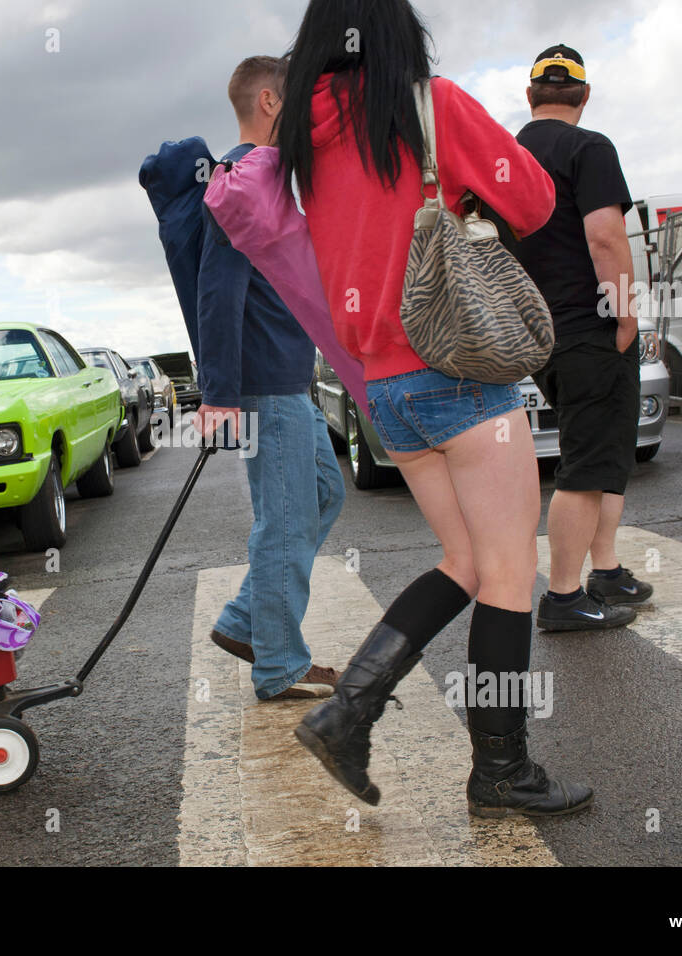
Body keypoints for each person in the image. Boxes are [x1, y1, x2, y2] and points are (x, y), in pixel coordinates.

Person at [278, 0, 592, 815]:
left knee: (467, 562)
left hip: (382, 385)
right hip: (457, 368)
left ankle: (350, 711)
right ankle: (500, 770)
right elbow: (531, 200)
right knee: (511, 571)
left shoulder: (303, 138)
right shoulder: (428, 105)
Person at [196, 55, 347, 701]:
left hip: (289, 382)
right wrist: (219, 398)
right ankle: (280, 663)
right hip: (263, 388)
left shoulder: (263, 181)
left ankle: (244, 620)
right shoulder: (240, 184)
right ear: (267, 101)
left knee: (322, 495)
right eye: (298, 104)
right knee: (283, 522)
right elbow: (217, 293)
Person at [504, 45, 653, 632]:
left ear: (531, 96)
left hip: (539, 331)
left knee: (607, 449)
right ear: (584, 96)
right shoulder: (590, 147)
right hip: (588, 327)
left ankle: (607, 569)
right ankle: (563, 597)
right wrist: (626, 315)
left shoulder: (507, 158)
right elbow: (606, 240)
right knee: (588, 464)